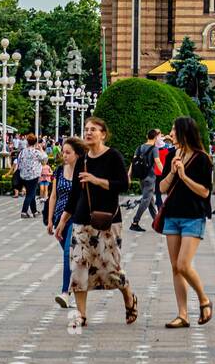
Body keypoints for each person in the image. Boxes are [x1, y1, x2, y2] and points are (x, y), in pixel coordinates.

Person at [54, 117, 138, 329]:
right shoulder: (82, 160)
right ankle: (81, 315)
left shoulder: (113, 156)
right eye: (86, 129)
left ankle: (128, 294)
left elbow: (124, 184)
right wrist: (63, 221)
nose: (88, 133)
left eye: (93, 129)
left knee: (111, 267)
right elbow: (74, 194)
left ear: (103, 134)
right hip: (82, 220)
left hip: (107, 220)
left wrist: (96, 180)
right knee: (79, 266)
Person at [157, 116, 213, 327]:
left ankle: (204, 299)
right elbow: (162, 188)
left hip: (193, 216)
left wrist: (184, 176)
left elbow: (205, 191)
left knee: (183, 264)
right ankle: (182, 314)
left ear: (184, 133)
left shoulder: (202, 159)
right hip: (172, 215)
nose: (170, 134)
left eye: (173, 130)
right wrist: (172, 171)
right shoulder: (172, 155)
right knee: (175, 267)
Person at [47, 137, 83, 309]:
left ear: (77, 154)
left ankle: (65, 293)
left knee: (68, 254)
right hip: (59, 218)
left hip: (76, 217)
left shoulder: (82, 172)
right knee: (73, 258)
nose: (64, 155)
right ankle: (77, 289)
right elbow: (53, 195)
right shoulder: (59, 170)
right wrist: (49, 219)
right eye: (64, 151)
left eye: (68, 152)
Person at [128, 130, 160, 232]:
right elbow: (158, 162)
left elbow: (133, 162)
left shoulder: (139, 147)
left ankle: (157, 222)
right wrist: (167, 173)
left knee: (150, 201)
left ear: (147, 136)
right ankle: (135, 222)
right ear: (155, 137)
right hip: (150, 178)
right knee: (146, 200)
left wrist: (128, 175)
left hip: (141, 177)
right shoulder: (154, 149)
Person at [16, 136, 47, 218]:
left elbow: (18, 161)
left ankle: (34, 211)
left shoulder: (22, 152)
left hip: (23, 175)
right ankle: (24, 211)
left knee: (31, 193)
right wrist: (41, 149)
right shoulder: (36, 152)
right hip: (33, 176)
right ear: (35, 142)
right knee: (30, 194)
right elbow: (45, 160)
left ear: (27, 142)